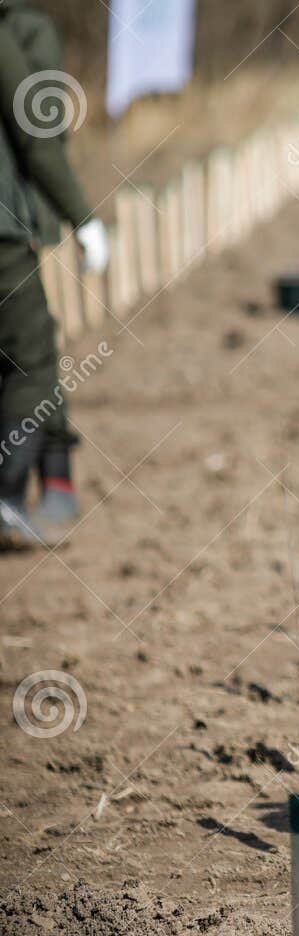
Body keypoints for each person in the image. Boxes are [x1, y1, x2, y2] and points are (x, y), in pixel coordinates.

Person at [0, 0, 106, 548]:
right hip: (6, 229)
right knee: (31, 361)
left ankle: (56, 479)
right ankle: (9, 501)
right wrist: (81, 216)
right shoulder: (20, 31)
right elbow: (37, 133)